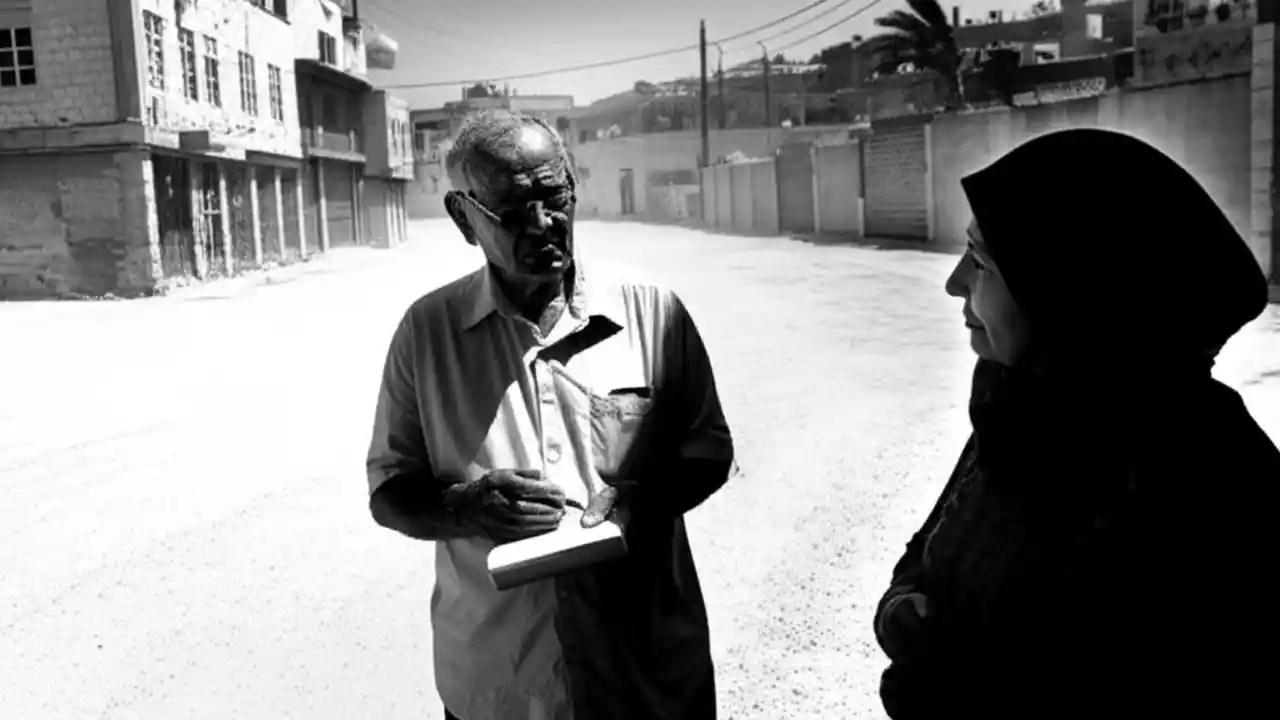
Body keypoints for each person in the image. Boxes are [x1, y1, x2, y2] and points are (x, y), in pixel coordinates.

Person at [873, 128, 1280, 719]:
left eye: (981, 261)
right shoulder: (1018, 411)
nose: (954, 281)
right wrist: (902, 611)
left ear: (1071, 290)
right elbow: (925, 557)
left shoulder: (1207, 478)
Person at [364, 109, 735, 720]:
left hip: (645, 677)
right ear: (463, 218)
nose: (543, 224)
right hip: (502, 689)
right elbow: (389, 492)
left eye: (555, 198)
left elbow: (708, 450)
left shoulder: (653, 313)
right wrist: (466, 507)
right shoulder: (426, 335)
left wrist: (640, 502)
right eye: (511, 211)